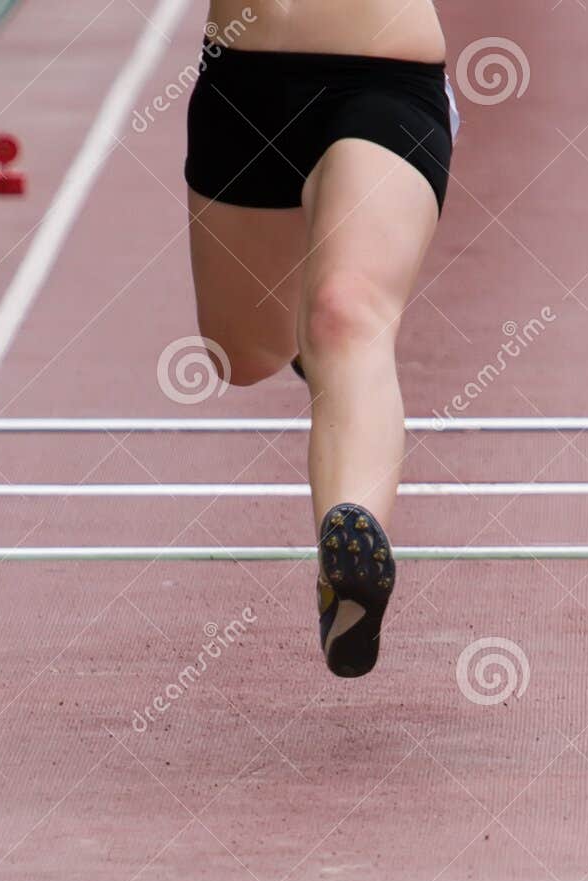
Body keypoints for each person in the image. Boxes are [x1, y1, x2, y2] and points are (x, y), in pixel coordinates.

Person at [185, 1, 458, 678]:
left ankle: (349, 562)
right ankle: (312, 350)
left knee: (346, 310)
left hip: (383, 80)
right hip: (242, 86)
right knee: (241, 354)